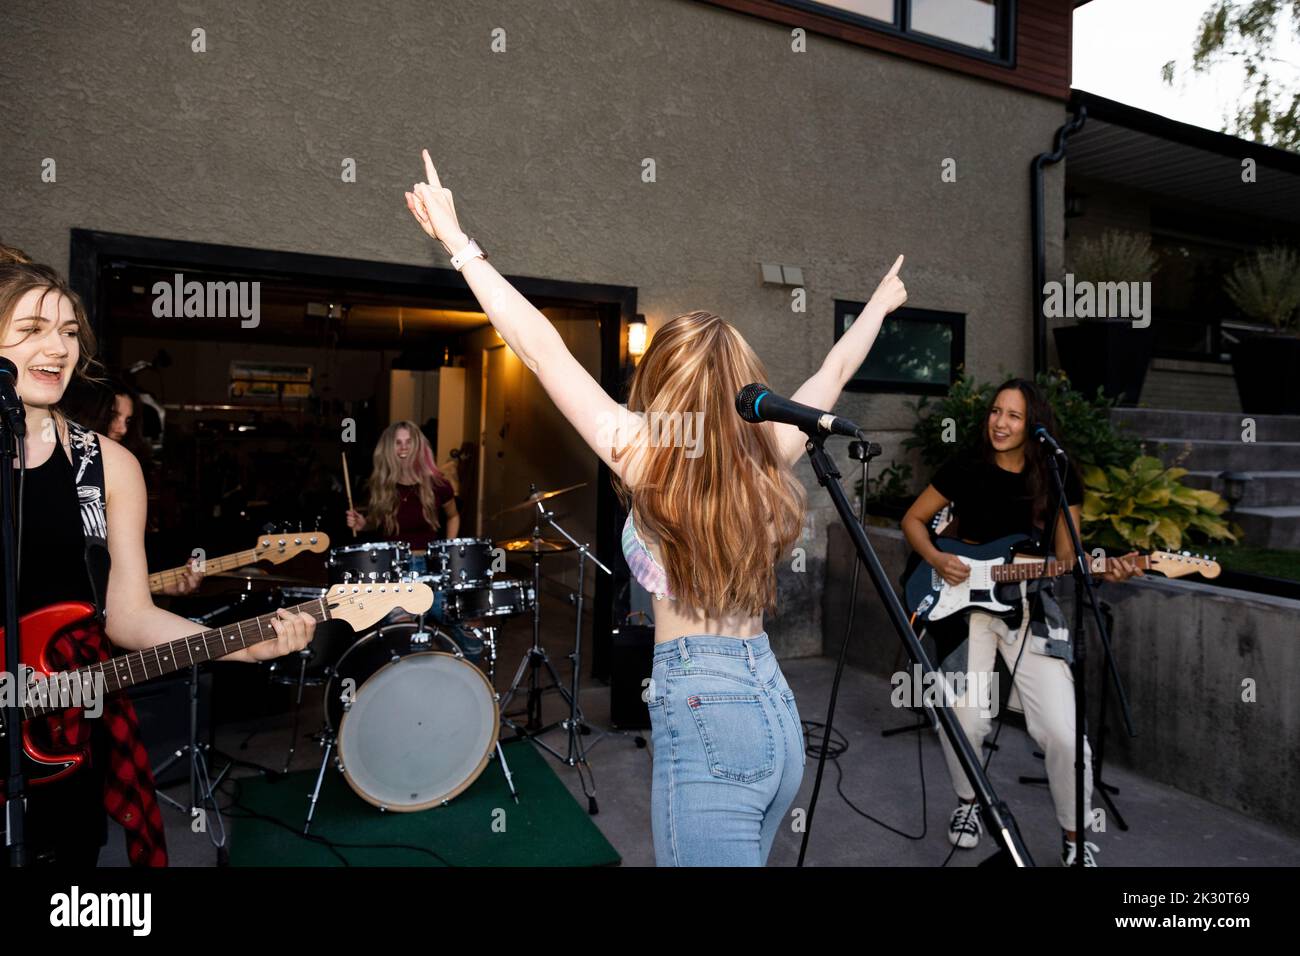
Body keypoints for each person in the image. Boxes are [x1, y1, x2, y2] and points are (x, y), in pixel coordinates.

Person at [405, 150, 908, 865]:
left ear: (660, 379)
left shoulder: (644, 450)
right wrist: (879, 308)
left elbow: (541, 350)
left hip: (706, 717)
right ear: (743, 378)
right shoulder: (770, 448)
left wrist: (460, 247)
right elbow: (834, 371)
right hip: (773, 708)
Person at [0, 261, 315, 866]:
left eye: (69, 332)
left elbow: (127, 617)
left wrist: (237, 644)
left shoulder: (107, 467)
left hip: (62, 728)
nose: (57, 347)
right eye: (33, 328)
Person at [900, 379, 1142, 867]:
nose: (1000, 423)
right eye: (995, 412)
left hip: (1028, 604)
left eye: (1012, 415)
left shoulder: (1056, 474)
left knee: (1062, 731)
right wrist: (936, 558)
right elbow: (912, 520)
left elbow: (1065, 556)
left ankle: (1075, 838)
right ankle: (968, 805)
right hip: (963, 606)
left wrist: (1107, 566)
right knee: (963, 718)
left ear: (1035, 425)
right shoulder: (966, 467)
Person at [345, 420, 480, 659]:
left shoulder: (438, 484)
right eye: (397, 443)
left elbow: (453, 516)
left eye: (408, 442)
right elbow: (379, 522)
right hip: (395, 572)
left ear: (418, 446)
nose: (403, 447)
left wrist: (446, 551)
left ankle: (472, 685)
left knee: (470, 631)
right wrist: (362, 523)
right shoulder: (381, 485)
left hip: (431, 567)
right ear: (389, 448)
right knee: (404, 634)